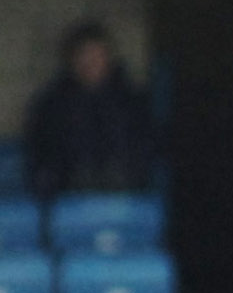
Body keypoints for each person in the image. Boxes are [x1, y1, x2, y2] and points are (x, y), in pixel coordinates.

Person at [21, 20, 154, 198]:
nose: (90, 62)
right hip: (69, 200)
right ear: (71, 60)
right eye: (83, 55)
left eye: (97, 54)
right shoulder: (52, 104)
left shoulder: (131, 100)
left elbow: (146, 146)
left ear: (109, 57)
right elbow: (41, 153)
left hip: (125, 197)